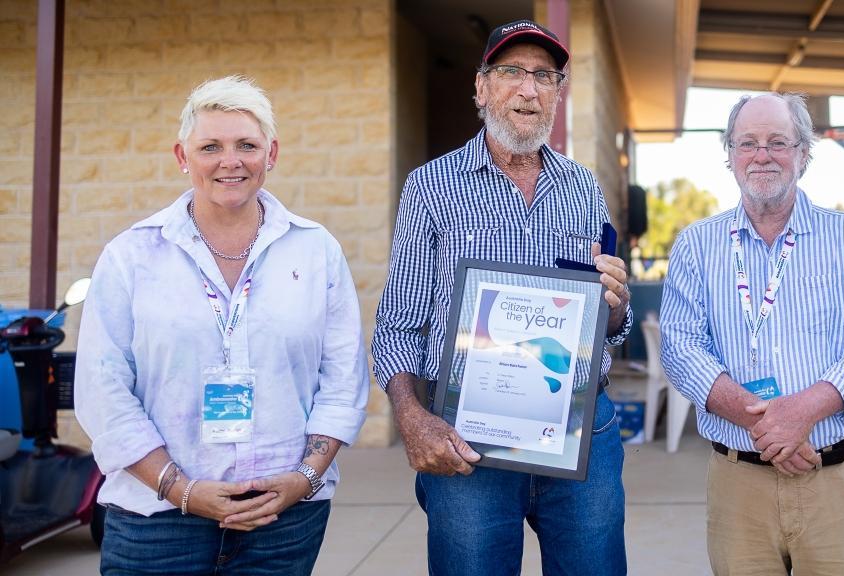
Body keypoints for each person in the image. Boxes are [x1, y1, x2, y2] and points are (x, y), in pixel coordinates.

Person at [75, 75, 369, 576]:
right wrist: (180, 488)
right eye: (210, 146)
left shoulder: (316, 250)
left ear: (271, 154)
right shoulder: (131, 256)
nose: (229, 161)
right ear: (182, 157)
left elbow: (343, 380)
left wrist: (303, 479)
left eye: (246, 146)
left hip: (283, 521)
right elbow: (103, 391)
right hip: (157, 521)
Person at [371, 19, 632, 576]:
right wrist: (412, 419)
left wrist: (615, 306)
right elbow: (397, 324)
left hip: (580, 425)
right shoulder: (431, 186)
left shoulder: (583, 187)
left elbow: (612, 323)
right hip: (469, 433)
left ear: (558, 95)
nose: (529, 89)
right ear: (481, 86)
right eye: (511, 71)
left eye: (544, 76)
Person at [660, 93, 844, 576]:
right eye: (747, 142)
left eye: (778, 142)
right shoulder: (696, 245)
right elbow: (681, 347)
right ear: (729, 155)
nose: (762, 154)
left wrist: (802, 412)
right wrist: (770, 426)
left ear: (804, 154)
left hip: (834, 478)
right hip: (739, 486)